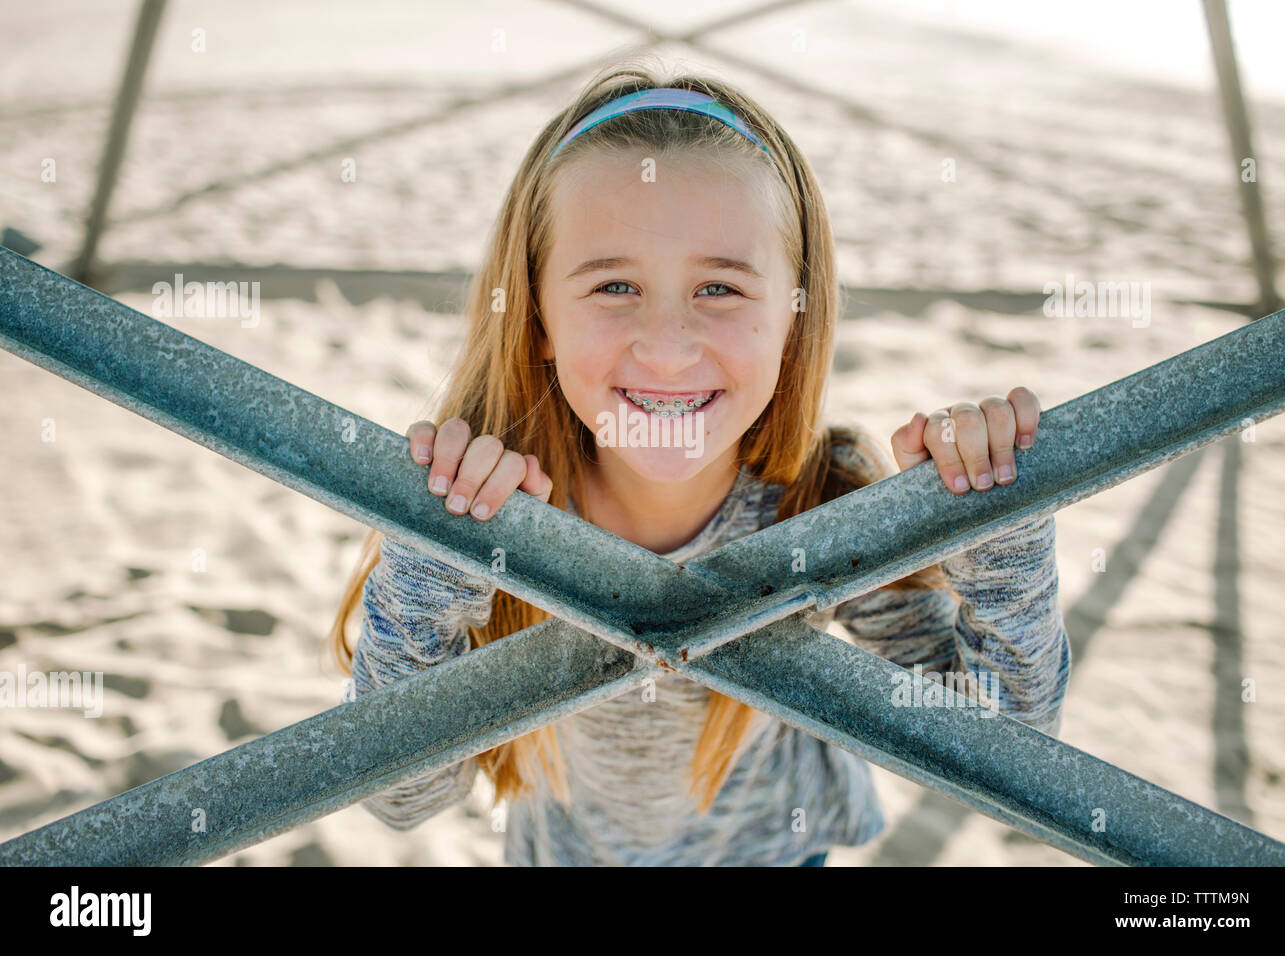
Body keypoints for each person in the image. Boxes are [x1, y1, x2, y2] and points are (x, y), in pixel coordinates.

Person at [327, 60, 1070, 867]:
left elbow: (1003, 765)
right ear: (537, 315)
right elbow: (403, 799)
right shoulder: (493, 508)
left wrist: (1001, 539)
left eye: (719, 288)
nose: (670, 347)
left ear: (795, 315)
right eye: (614, 285)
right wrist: (433, 568)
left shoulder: (824, 497)